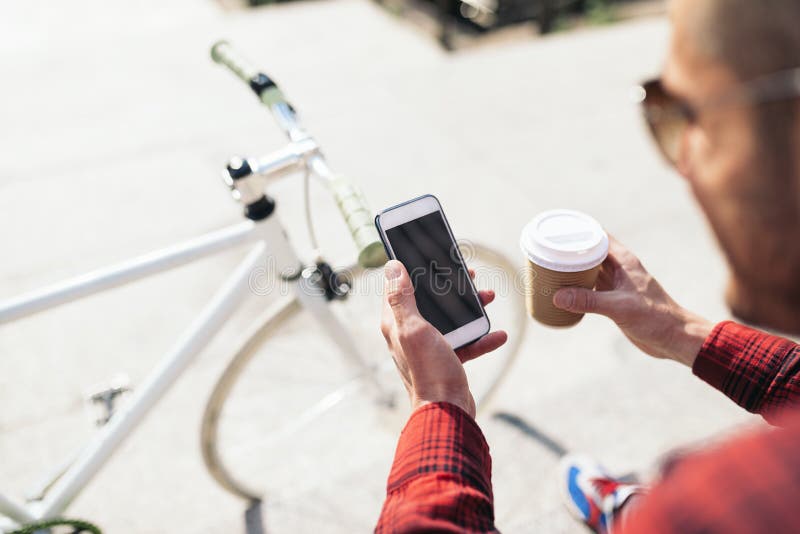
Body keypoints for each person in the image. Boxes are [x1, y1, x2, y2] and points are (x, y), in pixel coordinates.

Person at [374, 0, 800, 532]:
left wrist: (437, 401)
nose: (683, 163)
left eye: (687, 114)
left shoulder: (715, 505)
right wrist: (680, 330)